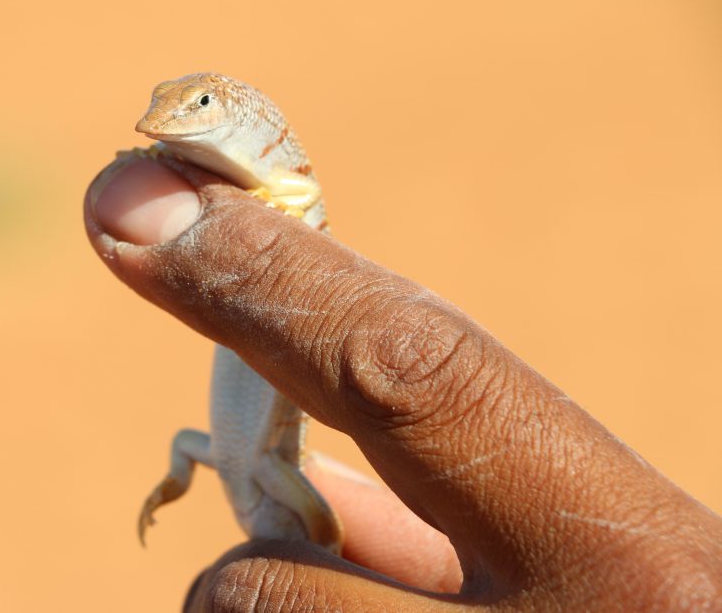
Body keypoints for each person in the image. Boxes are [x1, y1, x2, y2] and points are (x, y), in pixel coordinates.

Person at [84, 155, 722, 611]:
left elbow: (192, 448)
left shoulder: (245, 471)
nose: (274, 530)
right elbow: (308, 521)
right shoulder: (276, 484)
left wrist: (173, 486)